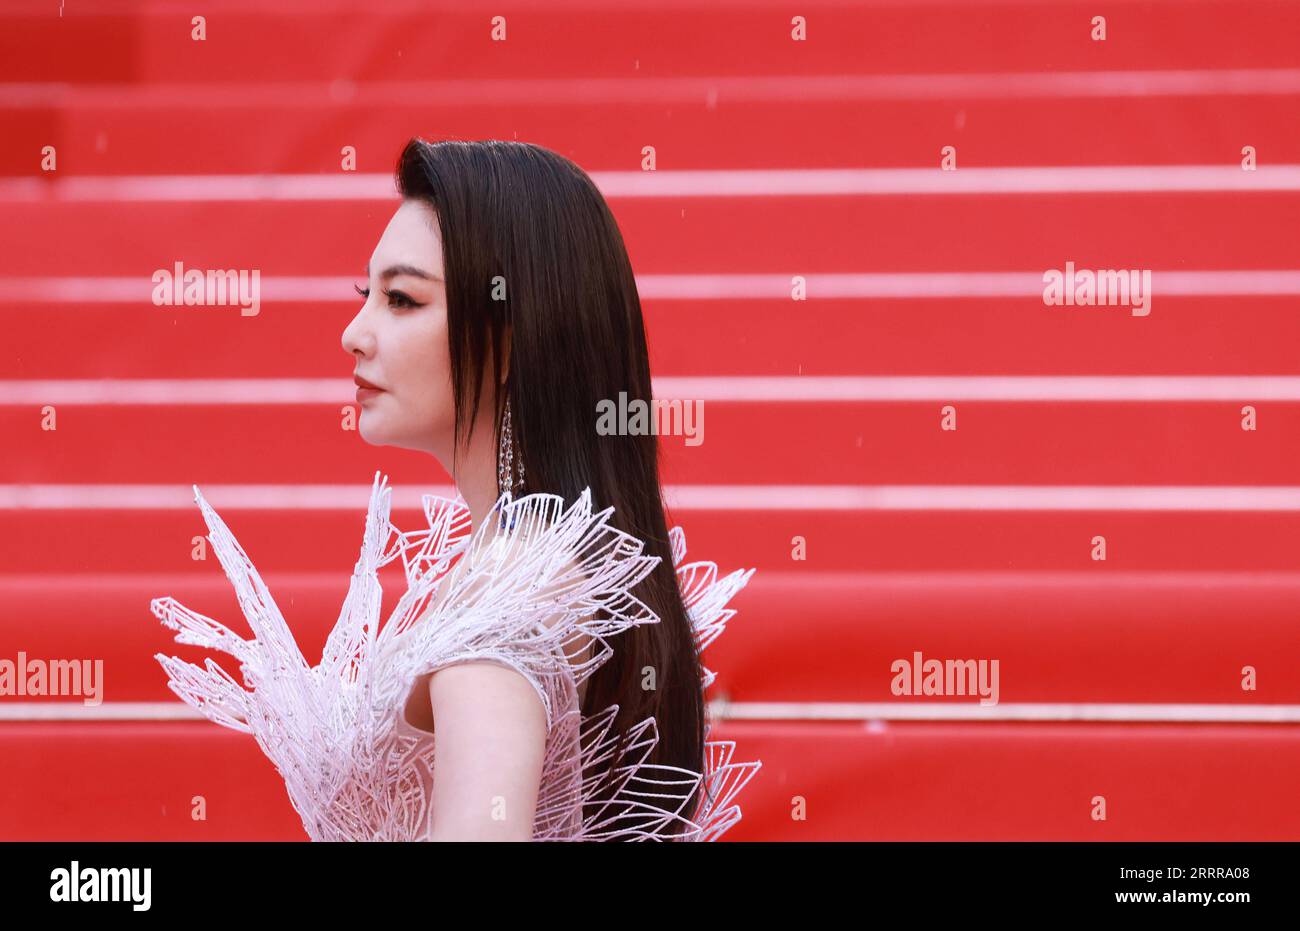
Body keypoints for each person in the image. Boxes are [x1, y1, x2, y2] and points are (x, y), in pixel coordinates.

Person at [150, 138, 760, 841]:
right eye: (366, 295)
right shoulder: (546, 570)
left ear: (509, 336)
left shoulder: (503, 609)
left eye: (403, 299)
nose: (355, 333)